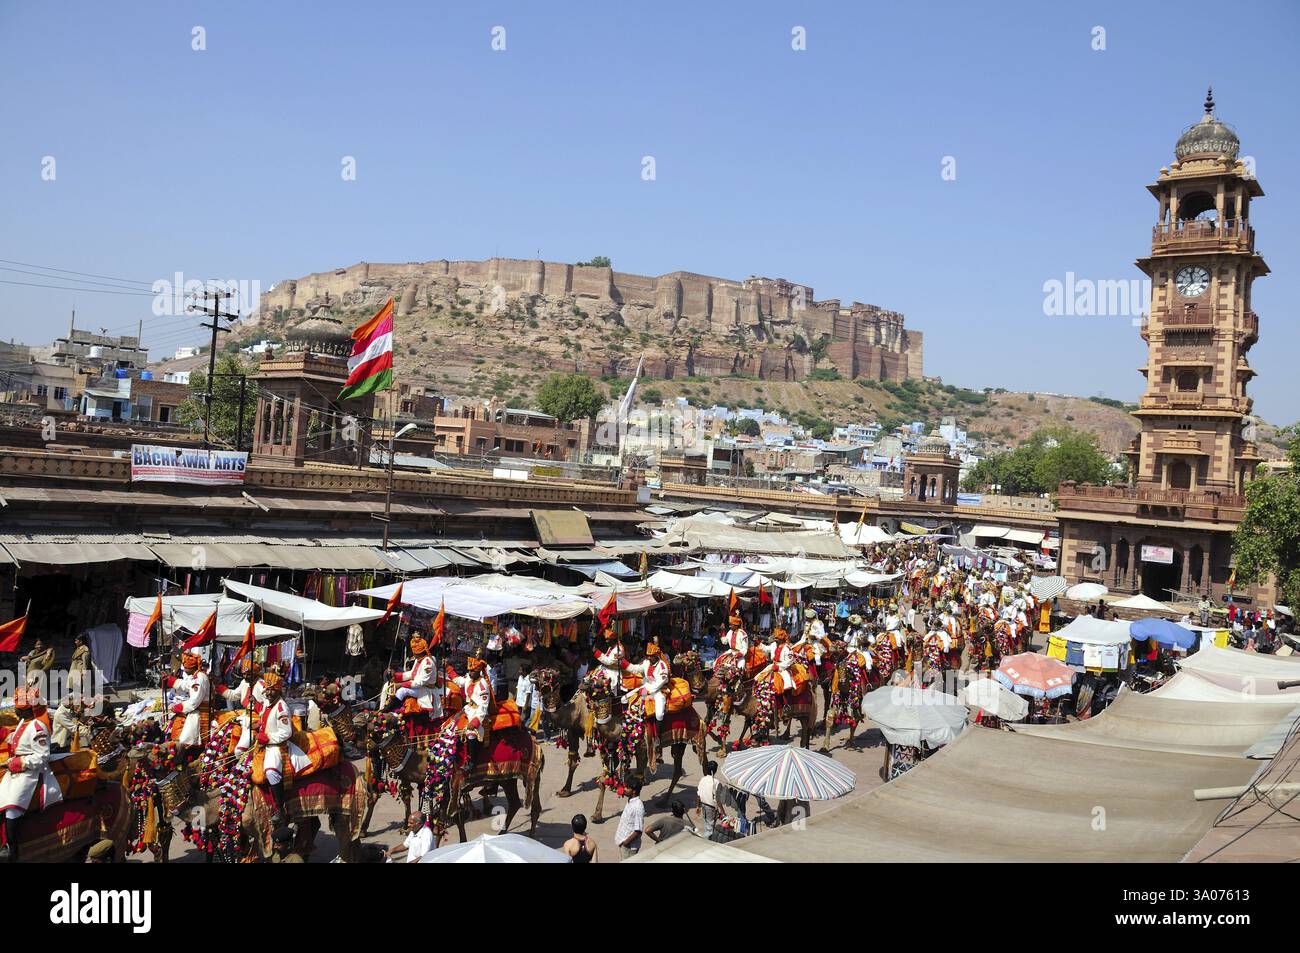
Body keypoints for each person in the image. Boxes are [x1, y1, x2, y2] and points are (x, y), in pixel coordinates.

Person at [0, 688, 61, 862]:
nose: (15, 709)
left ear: (27, 709)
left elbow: (42, 756)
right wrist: (3, 733)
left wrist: (18, 763)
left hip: (30, 774)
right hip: (14, 772)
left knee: (12, 809)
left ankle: (11, 850)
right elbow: (16, 740)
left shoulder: (37, 726)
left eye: (18, 707)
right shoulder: (23, 723)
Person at [256, 671, 312, 824]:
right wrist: (259, 726)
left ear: (279, 690)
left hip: (276, 746)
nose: (268, 692)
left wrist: (268, 738)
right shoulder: (267, 703)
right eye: (266, 689)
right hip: (263, 743)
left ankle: (280, 808)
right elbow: (265, 720)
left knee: (271, 772)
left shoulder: (282, 708)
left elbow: (286, 732)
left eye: (271, 689)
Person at [169, 650, 211, 751]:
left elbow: (194, 702)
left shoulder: (199, 678)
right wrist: (170, 680)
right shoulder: (195, 676)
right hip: (196, 707)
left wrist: (178, 707)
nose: (184, 670)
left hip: (200, 711)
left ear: (191, 667)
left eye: (185, 668)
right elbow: (186, 684)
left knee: (185, 739)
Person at [390, 635, 441, 716]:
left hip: (426, 689)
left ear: (418, 653)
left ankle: (390, 711)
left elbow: (419, 682)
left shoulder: (428, 663)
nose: (412, 653)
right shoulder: (418, 659)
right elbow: (411, 674)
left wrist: (400, 684)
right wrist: (396, 676)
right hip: (419, 686)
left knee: (402, 690)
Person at [615, 781, 645, 859]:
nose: (624, 789)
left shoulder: (638, 807)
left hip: (629, 847)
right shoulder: (631, 801)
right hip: (624, 843)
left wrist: (625, 843)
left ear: (634, 791)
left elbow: (638, 831)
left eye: (627, 788)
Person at [695, 760, 719, 838]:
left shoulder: (703, 779)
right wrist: (722, 810)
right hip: (711, 808)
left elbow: (698, 795)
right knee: (710, 829)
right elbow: (718, 798)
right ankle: (707, 843)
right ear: (715, 770)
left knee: (706, 825)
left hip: (703, 805)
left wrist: (698, 806)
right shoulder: (716, 782)